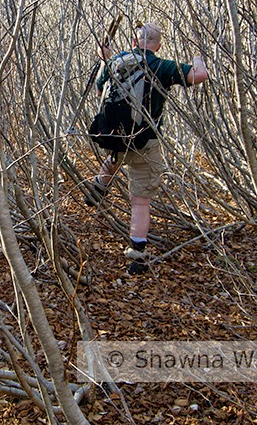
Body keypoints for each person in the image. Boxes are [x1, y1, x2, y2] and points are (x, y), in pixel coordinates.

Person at [85, 22, 208, 274]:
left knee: (117, 154)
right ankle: (137, 255)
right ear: (158, 46)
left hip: (114, 135)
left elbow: (99, 90)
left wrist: (103, 60)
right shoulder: (162, 66)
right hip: (145, 139)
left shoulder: (117, 61)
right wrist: (199, 55)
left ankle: (99, 185)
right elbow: (199, 75)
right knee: (140, 202)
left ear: (133, 41)